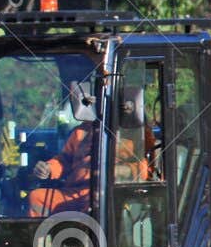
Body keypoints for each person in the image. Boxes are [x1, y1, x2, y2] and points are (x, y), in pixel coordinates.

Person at [27, 92, 155, 217]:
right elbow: (65, 160)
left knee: (95, 200)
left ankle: (83, 236)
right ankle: (40, 236)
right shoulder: (83, 131)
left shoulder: (139, 135)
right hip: (73, 192)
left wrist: (116, 172)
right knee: (37, 198)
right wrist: (49, 168)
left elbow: (147, 169)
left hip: (109, 191)